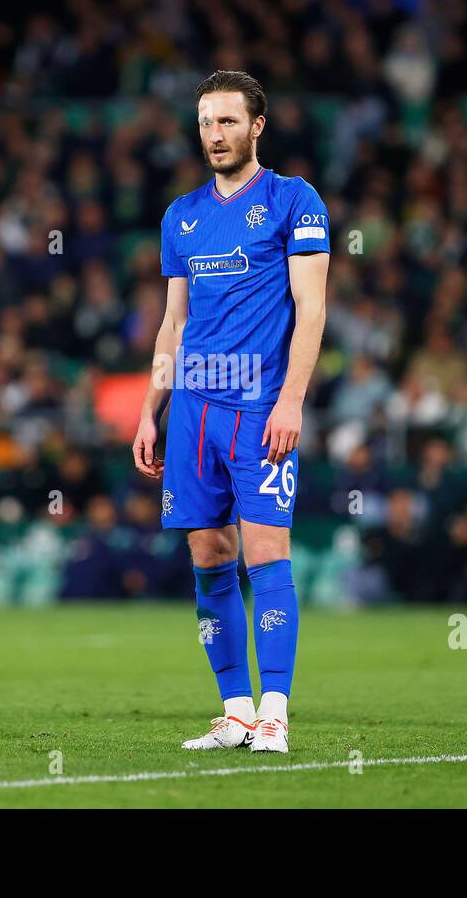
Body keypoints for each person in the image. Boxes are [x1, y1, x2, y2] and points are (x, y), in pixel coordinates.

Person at [132, 71, 330, 753]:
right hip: (192, 410)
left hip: (259, 407)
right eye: (206, 123)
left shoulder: (293, 200)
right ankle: (236, 710)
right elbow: (172, 324)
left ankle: (275, 712)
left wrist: (293, 400)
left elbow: (312, 308)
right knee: (209, 557)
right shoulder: (180, 216)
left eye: (227, 122)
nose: (214, 135)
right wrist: (149, 409)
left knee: (267, 554)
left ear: (257, 126)